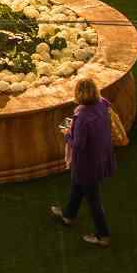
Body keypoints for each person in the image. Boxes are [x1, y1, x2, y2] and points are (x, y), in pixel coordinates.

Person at [51, 76, 117, 246]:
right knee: (77, 186)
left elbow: (78, 144)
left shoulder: (82, 117)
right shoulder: (103, 103)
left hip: (86, 164)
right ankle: (68, 216)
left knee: (93, 200)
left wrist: (66, 133)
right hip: (101, 156)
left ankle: (103, 235)